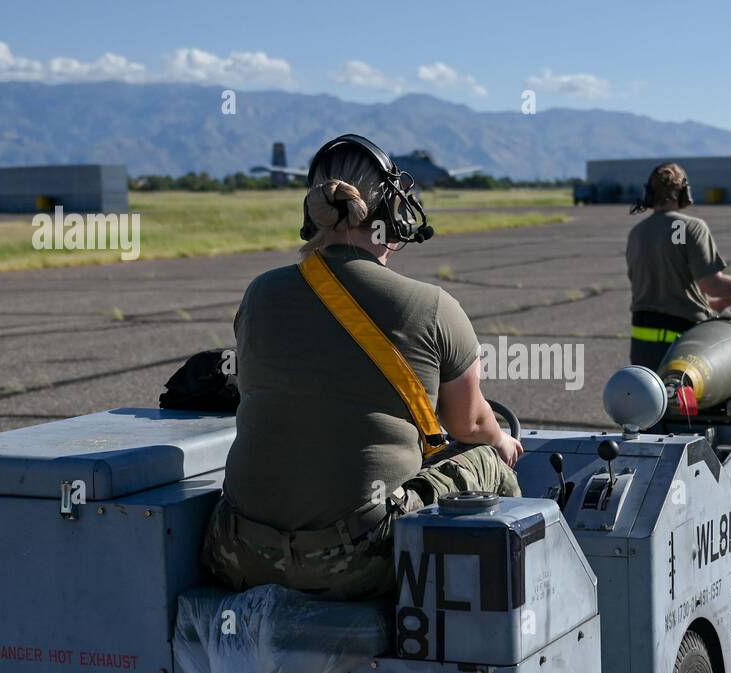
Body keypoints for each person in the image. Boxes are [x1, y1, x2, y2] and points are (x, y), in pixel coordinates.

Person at [201, 134, 522, 601]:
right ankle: (506, 614)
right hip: (357, 560)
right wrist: (502, 441)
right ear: (391, 212)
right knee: (489, 463)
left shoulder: (261, 294)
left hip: (239, 552)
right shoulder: (431, 306)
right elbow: (470, 424)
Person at [626, 162, 731, 370]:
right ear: (683, 192)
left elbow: (661, 294)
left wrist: (712, 304)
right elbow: (712, 285)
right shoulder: (691, 227)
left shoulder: (637, 233)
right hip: (683, 347)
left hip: (642, 348)